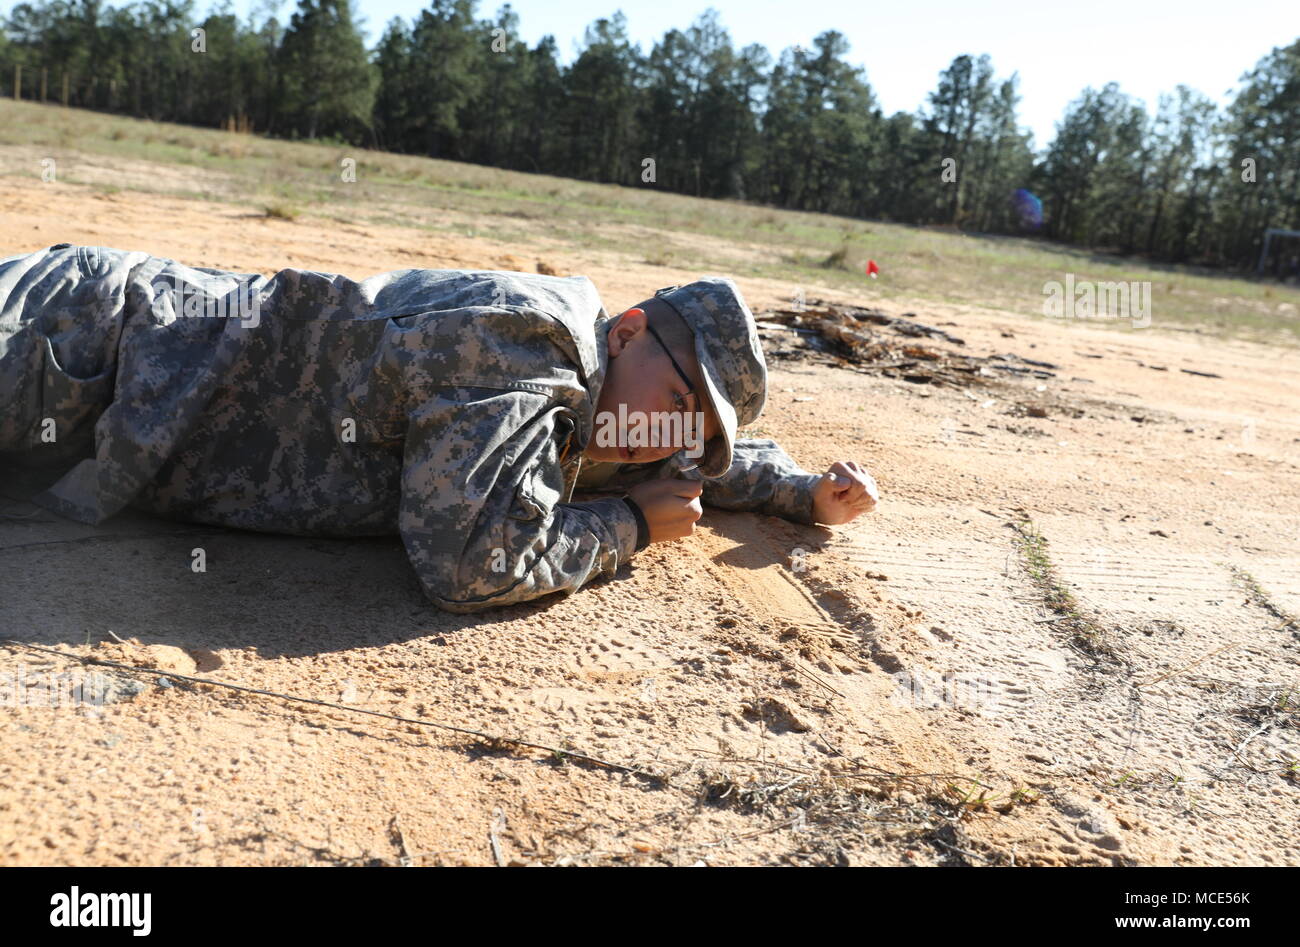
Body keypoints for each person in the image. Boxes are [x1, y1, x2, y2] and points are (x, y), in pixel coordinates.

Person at [0, 243, 877, 612]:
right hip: (88, 345)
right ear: (629, 330)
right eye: (681, 399)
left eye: (695, 424)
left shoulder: (619, 399)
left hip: (104, 424)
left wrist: (804, 491)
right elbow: (473, 565)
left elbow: (682, 454)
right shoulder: (526, 346)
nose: (667, 436)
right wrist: (629, 525)